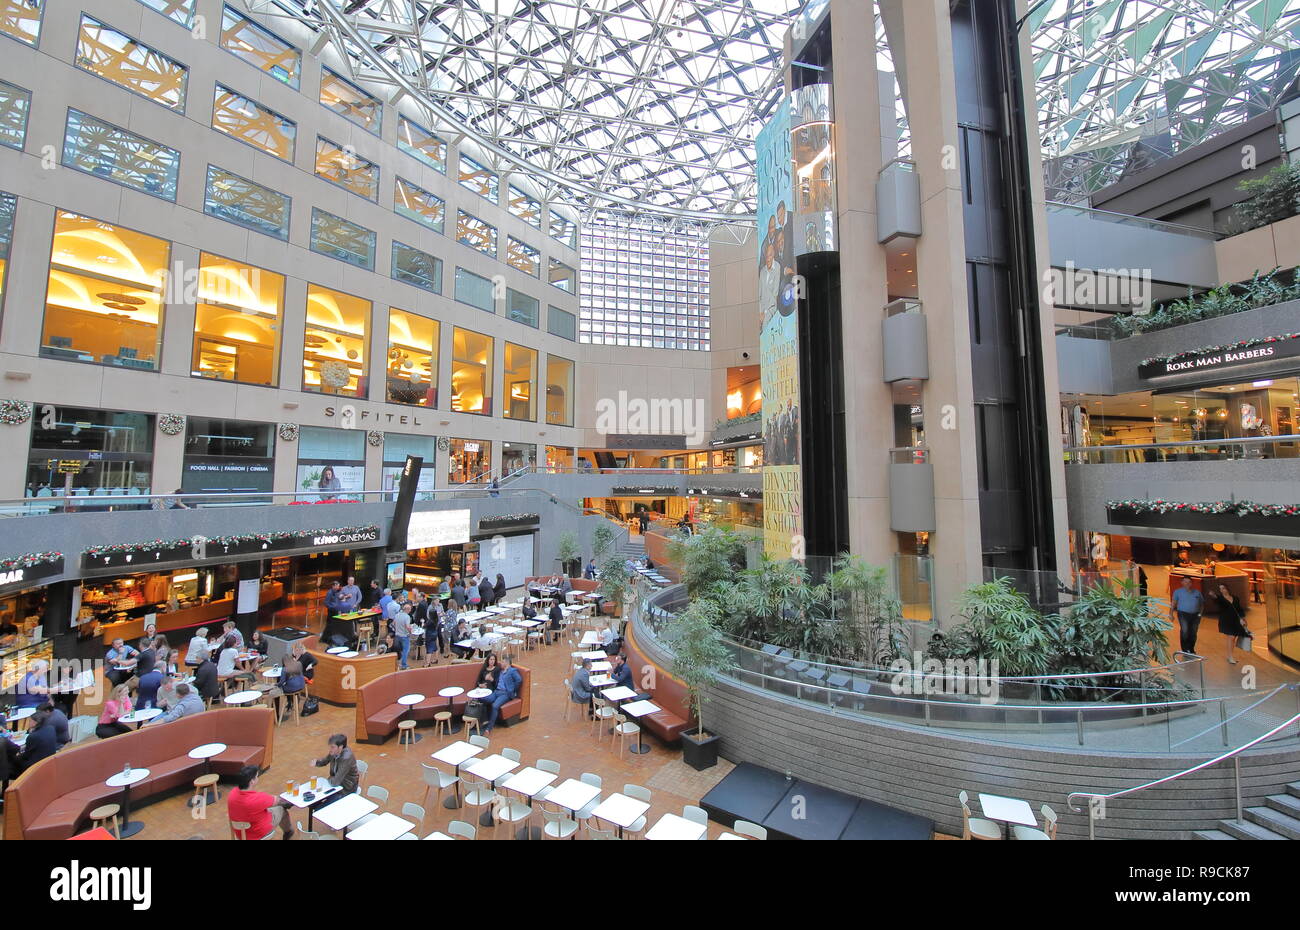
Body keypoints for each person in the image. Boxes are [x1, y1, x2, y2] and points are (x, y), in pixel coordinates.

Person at [227, 765, 293, 839]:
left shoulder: (232, 793)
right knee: (281, 809)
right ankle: (288, 832)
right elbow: (278, 800)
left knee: (269, 806)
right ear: (252, 781)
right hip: (258, 834)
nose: (257, 778)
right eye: (257, 776)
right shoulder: (258, 798)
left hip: (241, 834)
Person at [1209, 584, 1250, 665]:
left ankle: (1230, 656)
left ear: (1227, 589)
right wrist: (1213, 595)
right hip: (1226, 620)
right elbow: (1216, 599)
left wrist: (1243, 618)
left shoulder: (1235, 598)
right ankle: (1230, 656)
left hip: (1235, 620)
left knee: (1232, 638)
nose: (1222, 590)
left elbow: (1239, 609)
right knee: (1231, 637)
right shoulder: (1220, 599)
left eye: (1223, 588)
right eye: (1220, 589)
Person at [482, 656, 522, 732]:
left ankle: (489, 727)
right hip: (497, 691)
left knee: (495, 706)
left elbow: (519, 680)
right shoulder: (501, 671)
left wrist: (512, 690)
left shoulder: (512, 671)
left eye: (502, 662)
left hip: (505, 694)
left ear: (506, 663)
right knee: (484, 699)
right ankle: (485, 720)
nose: (500, 663)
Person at [15, 709, 58, 773]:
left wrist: (16, 756)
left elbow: (26, 755)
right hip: (49, 761)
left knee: (11, 760)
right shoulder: (51, 728)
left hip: (35, 766)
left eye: (30, 721)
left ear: (36, 722)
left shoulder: (33, 736)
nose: (29, 723)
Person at [1170, 576, 1204, 656]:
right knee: (1185, 631)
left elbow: (1202, 604)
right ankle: (1185, 649)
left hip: (1195, 615)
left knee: (1193, 632)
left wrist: (1200, 614)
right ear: (1182, 583)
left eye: (1189, 582)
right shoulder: (1177, 592)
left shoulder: (1197, 592)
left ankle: (1191, 649)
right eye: (1185, 582)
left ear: (1191, 583)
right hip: (1183, 614)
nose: (1187, 584)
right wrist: (1170, 613)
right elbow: (1173, 603)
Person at [392, 603, 412, 670]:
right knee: (405, 651)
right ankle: (404, 665)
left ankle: (398, 664)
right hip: (404, 636)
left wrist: (396, 629)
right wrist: (410, 632)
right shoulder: (407, 617)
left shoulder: (397, 615)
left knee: (399, 650)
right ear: (408, 609)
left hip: (397, 635)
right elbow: (407, 627)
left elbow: (393, 623)